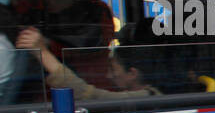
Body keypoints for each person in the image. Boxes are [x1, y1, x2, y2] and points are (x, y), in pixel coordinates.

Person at [15, 26, 161, 101]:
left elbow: (87, 95)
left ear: (132, 74)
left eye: (112, 68)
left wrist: (43, 53)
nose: (108, 75)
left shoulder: (145, 99)